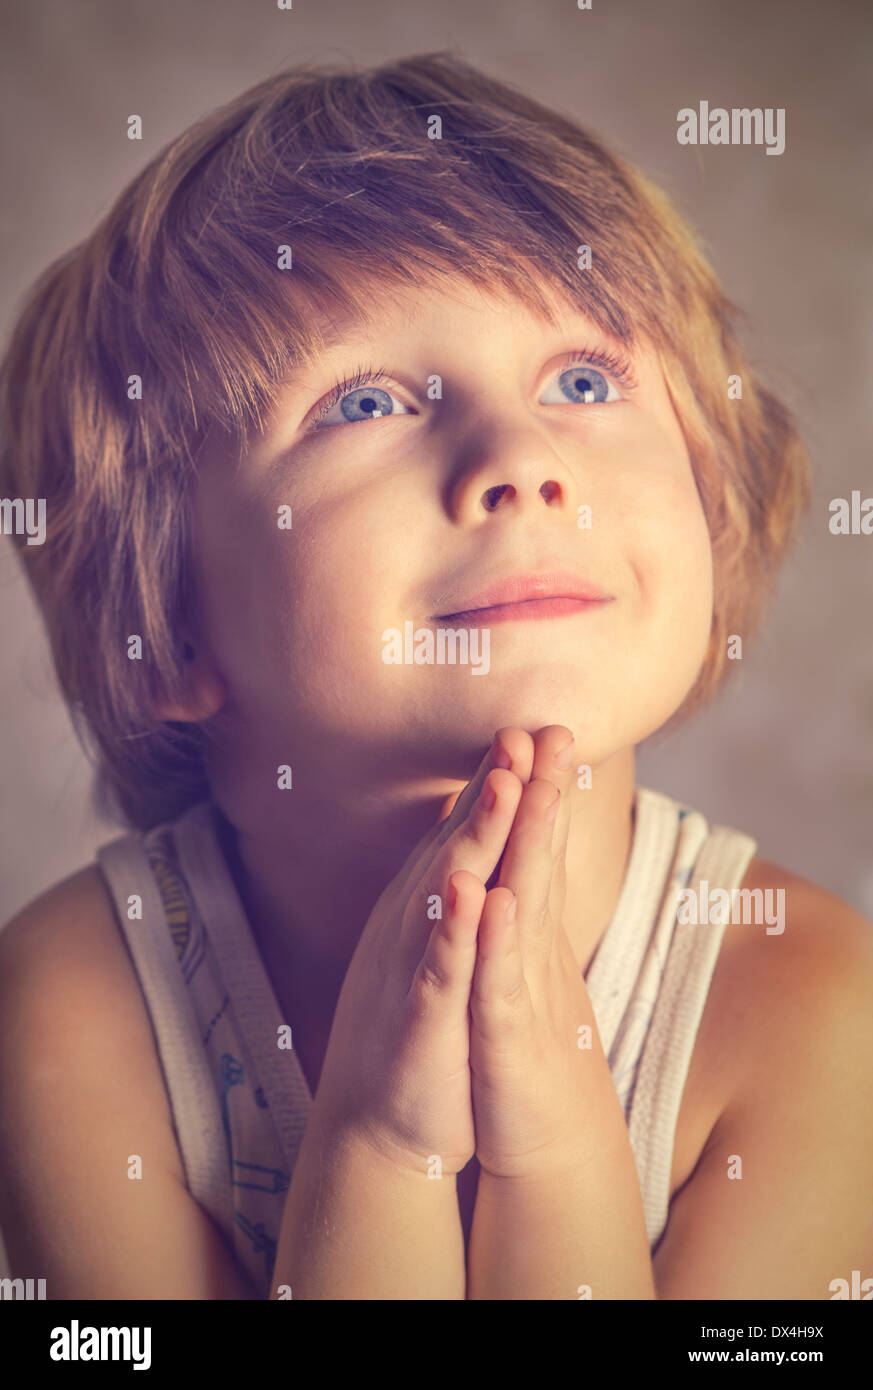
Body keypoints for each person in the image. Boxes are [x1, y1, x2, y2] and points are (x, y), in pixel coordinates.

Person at [0, 51, 870, 1301]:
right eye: (363, 401)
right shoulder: (75, 1014)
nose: (522, 459)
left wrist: (559, 1155)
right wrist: (381, 1151)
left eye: (583, 380)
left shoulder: (816, 1009)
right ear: (173, 628)